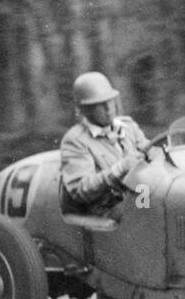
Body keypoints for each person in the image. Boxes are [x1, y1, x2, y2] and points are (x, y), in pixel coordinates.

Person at [60, 71, 151, 214]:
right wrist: (119, 169)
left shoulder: (128, 126)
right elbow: (80, 190)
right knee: (148, 214)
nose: (109, 110)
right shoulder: (75, 140)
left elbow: (150, 152)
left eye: (110, 102)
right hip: (108, 210)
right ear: (86, 109)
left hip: (139, 198)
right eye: (99, 105)